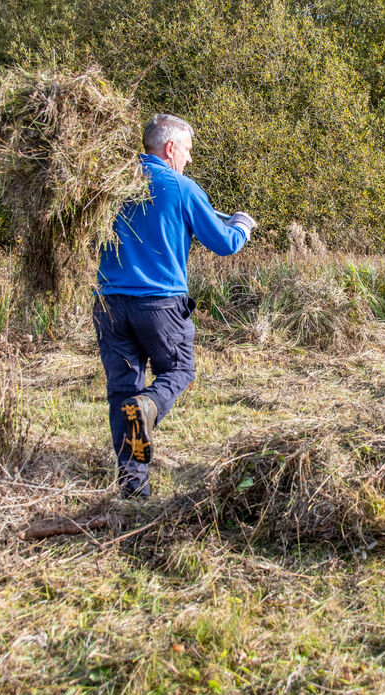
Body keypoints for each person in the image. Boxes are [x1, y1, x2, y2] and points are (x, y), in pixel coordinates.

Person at [94, 113, 254, 497]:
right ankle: (150, 405)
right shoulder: (182, 188)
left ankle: (134, 486)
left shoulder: (110, 184)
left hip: (109, 303)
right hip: (159, 305)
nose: (189, 158)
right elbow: (224, 243)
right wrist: (243, 225)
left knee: (122, 392)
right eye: (187, 150)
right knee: (179, 370)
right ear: (170, 148)